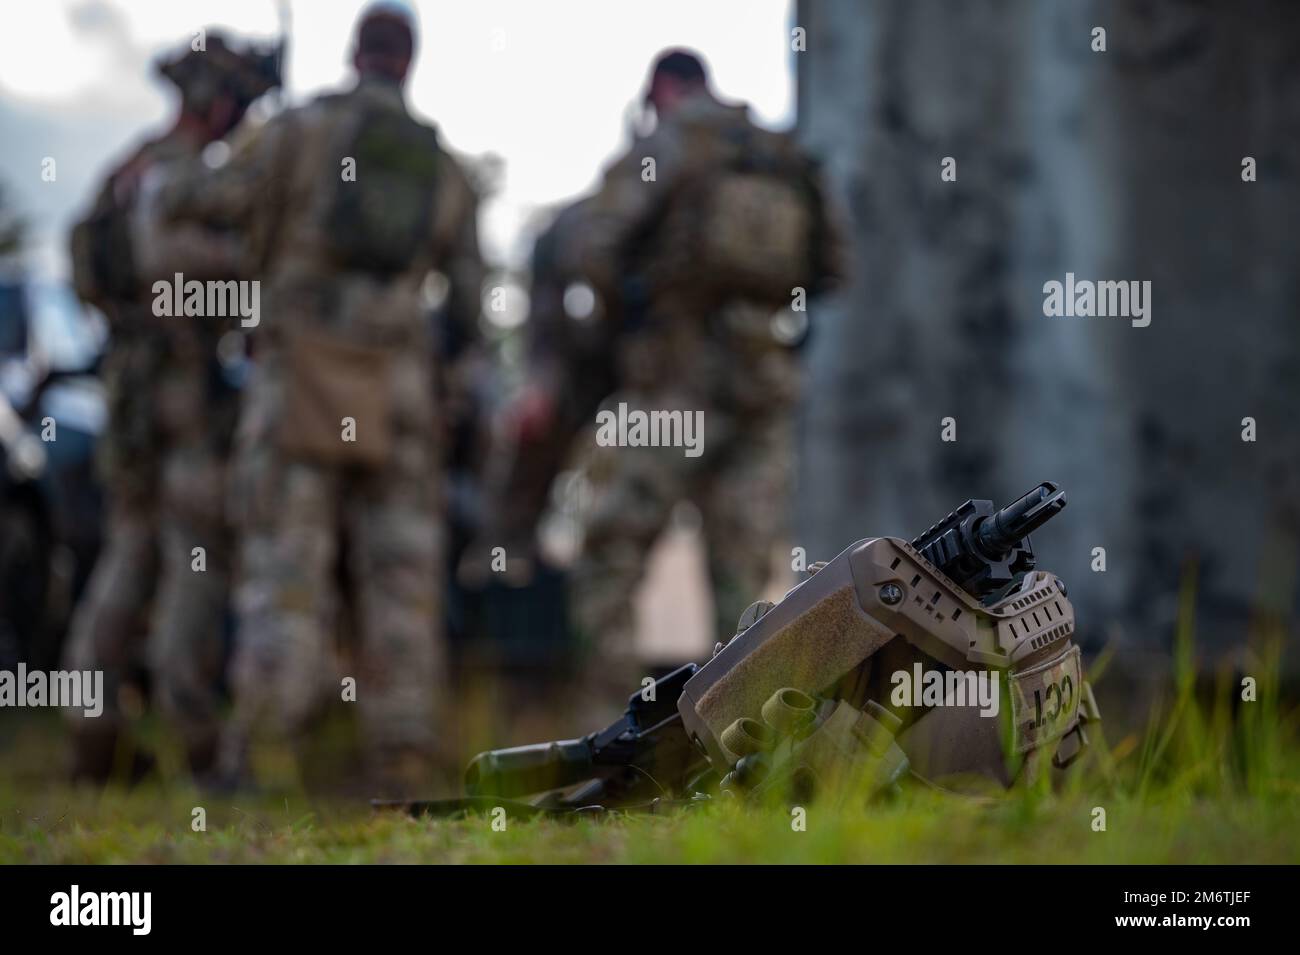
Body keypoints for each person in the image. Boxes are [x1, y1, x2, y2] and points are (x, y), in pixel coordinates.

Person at [162, 1, 483, 795]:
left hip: (300, 376)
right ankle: (402, 756)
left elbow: (204, 202)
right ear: (409, 61)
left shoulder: (296, 131)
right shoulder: (442, 162)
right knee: (401, 576)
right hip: (399, 385)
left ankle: (265, 756)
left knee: (286, 566)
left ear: (355, 53)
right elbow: (470, 305)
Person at [534, 49, 845, 700]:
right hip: (764, 383)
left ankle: (609, 723)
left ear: (662, 91)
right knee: (742, 568)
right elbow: (835, 267)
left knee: (612, 549)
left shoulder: (671, 141)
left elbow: (590, 244)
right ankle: (737, 735)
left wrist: (634, 317)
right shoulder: (783, 154)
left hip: (675, 384)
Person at [64, 34, 280, 783]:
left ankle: (92, 731)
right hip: (180, 393)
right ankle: (198, 748)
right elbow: (173, 270)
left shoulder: (127, 168)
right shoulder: (180, 175)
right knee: (196, 560)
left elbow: (87, 265)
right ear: (217, 103)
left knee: (127, 556)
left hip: (127, 389)